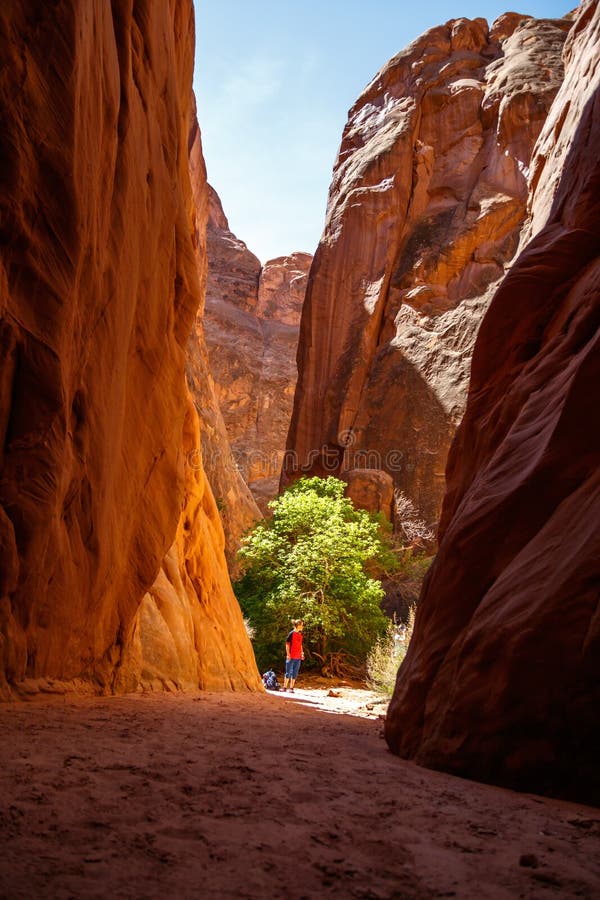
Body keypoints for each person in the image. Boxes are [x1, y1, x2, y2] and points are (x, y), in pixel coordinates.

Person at [282, 619, 304, 692]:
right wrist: (288, 654)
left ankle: (291, 688)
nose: (302, 627)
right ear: (298, 626)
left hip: (298, 657)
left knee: (295, 672)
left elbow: (300, 645)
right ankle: (284, 687)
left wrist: (302, 653)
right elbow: (287, 644)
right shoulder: (291, 634)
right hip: (291, 656)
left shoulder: (300, 635)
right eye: (301, 625)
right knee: (288, 672)